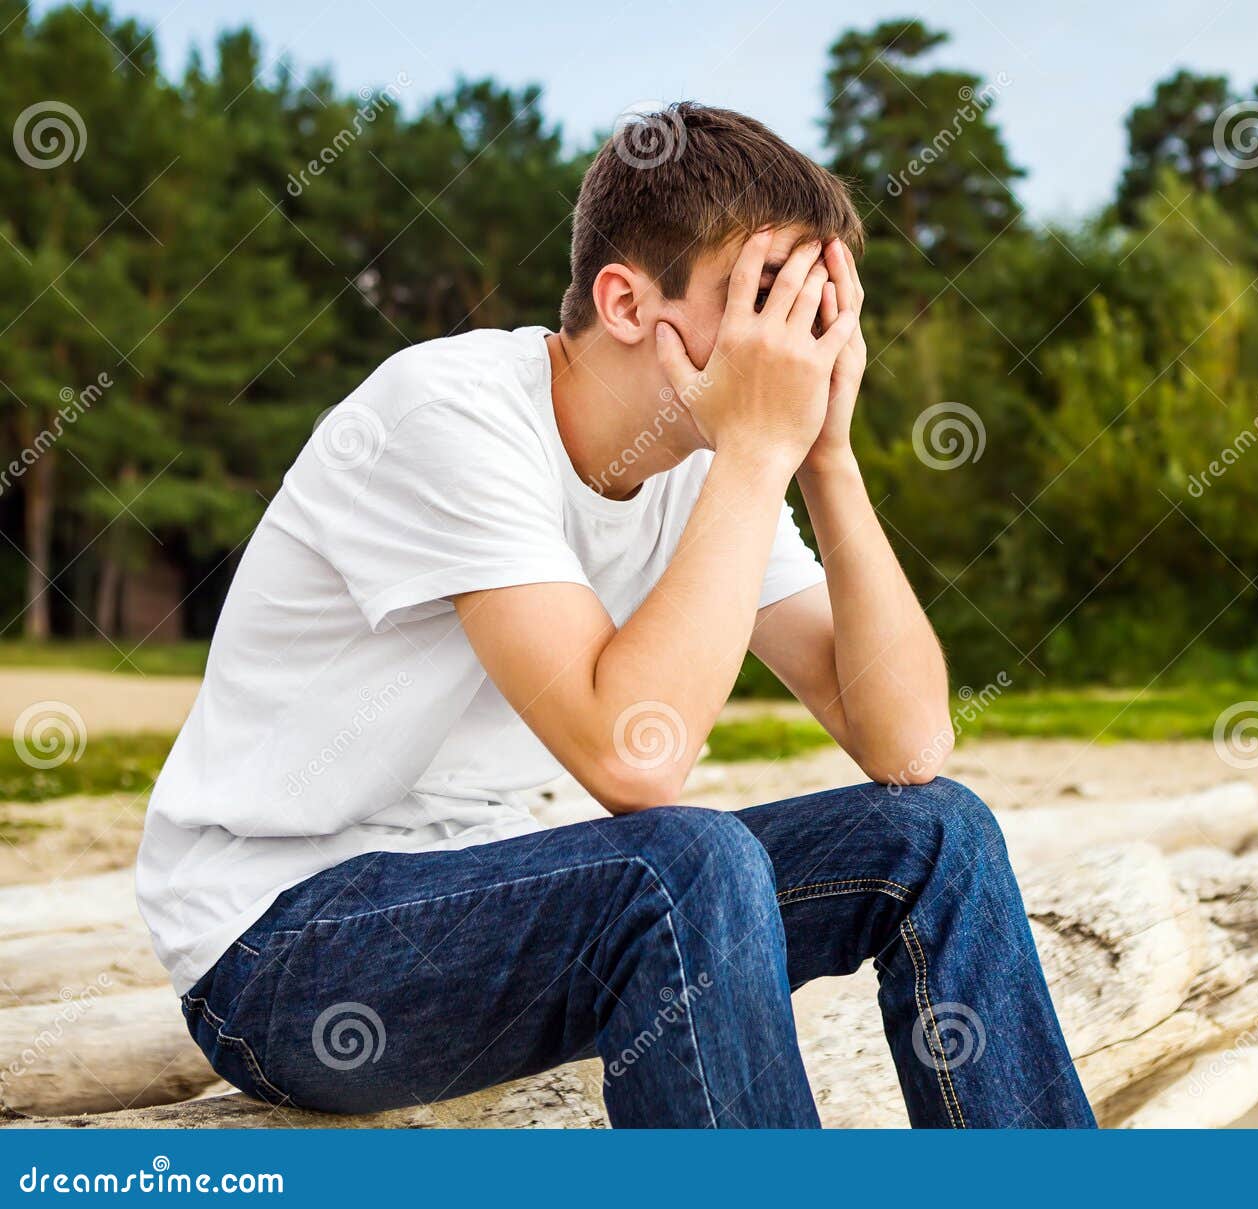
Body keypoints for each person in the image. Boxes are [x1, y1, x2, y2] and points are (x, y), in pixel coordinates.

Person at [137, 102, 1096, 1130]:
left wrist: (825, 455)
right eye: (759, 303)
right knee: (684, 857)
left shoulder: (714, 462)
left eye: (810, 314)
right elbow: (632, 761)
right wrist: (760, 453)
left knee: (936, 833)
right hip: (286, 950)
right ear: (627, 302)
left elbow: (906, 744)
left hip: (513, 903)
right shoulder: (449, 414)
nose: (790, 348)